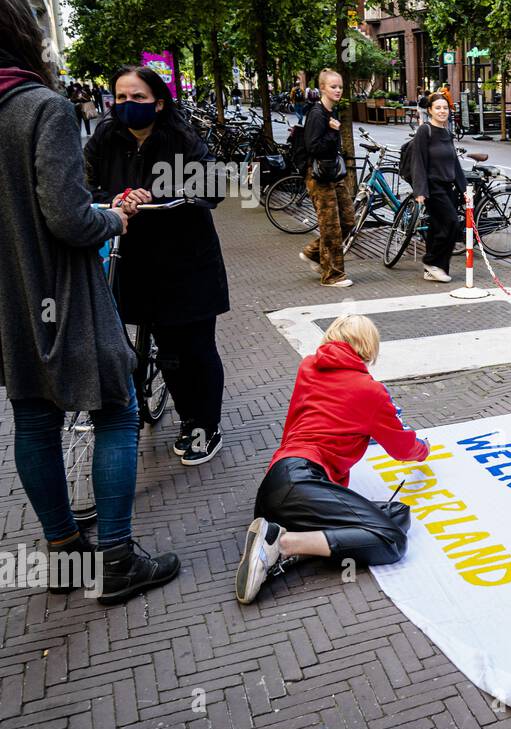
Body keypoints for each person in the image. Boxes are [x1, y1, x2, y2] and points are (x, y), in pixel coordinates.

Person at [0, 0, 180, 602]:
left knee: (33, 415)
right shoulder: (40, 108)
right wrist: (112, 216)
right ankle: (117, 559)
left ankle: (62, 551)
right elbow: (69, 218)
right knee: (118, 407)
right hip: (62, 287)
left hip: (9, 297)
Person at [83, 63, 231, 466]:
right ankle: (173, 411)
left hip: (186, 260)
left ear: (159, 103)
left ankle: (204, 424)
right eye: (121, 97)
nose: (128, 105)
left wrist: (161, 192)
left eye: (139, 98)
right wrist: (112, 198)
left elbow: (214, 183)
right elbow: (83, 183)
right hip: (131, 257)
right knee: (162, 346)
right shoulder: (104, 138)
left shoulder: (182, 139)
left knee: (194, 348)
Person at [236, 315, 430, 604]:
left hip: (277, 482)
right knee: (392, 540)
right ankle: (286, 545)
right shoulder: (370, 390)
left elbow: (294, 424)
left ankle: (284, 541)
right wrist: (423, 448)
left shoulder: (308, 367)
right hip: (303, 479)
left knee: (397, 512)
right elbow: (402, 449)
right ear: (368, 346)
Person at [298, 69, 354, 288]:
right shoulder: (318, 114)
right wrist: (332, 133)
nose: (338, 90)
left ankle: (313, 253)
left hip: (333, 174)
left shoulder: (331, 113)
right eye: (333, 86)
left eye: (340, 86)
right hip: (319, 176)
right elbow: (313, 147)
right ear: (322, 88)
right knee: (331, 227)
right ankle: (332, 275)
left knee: (348, 220)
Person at [409, 95, 466, 283]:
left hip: (447, 186)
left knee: (436, 227)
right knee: (451, 223)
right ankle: (432, 261)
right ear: (430, 110)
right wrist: (420, 191)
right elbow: (418, 161)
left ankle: (435, 270)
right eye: (438, 108)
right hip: (432, 187)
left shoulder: (447, 132)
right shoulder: (425, 131)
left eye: (445, 108)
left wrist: (464, 188)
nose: (442, 111)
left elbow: (454, 162)